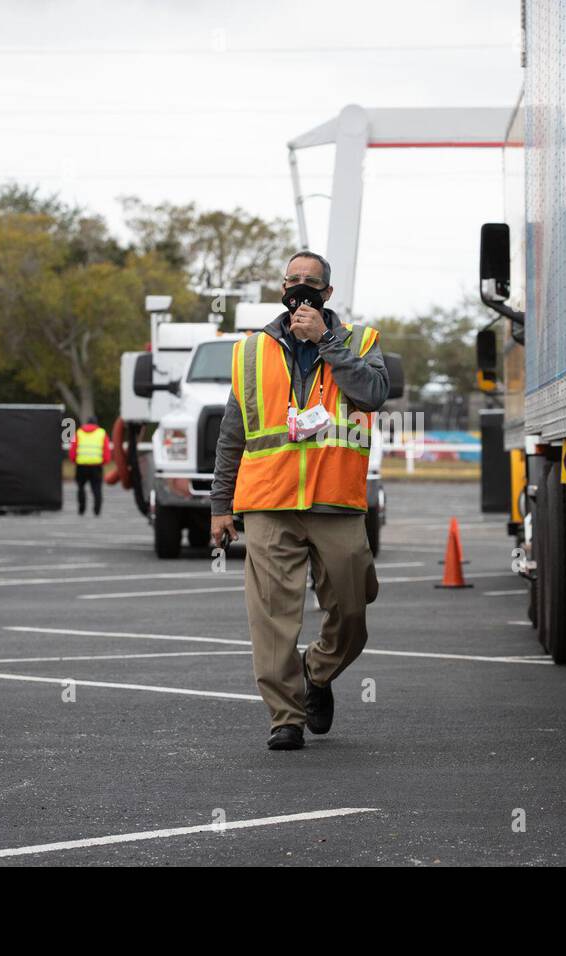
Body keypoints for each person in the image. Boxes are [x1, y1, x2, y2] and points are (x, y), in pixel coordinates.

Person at [211, 251, 389, 751]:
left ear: (327, 294)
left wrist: (325, 341)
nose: (302, 288)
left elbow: (372, 394)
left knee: (353, 611)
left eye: (312, 282)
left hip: (336, 501)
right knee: (271, 615)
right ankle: (284, 718)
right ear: (282, 288)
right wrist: (220, 507)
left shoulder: (360, 341)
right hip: (269, 501)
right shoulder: (251, 352)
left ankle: (318, 671)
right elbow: (232, 435)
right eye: (293, 280)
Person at [69, 416, 111, 516]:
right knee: (97, 489)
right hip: (96, 466)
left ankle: (81, 509)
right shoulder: (102, 433)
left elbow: (73, 449)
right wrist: (104, 461)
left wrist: (74, 460)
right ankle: (97, 510)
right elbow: (106, 450)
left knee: (80, 488)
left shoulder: (78, 432)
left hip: (81, 465)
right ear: (96, 423)